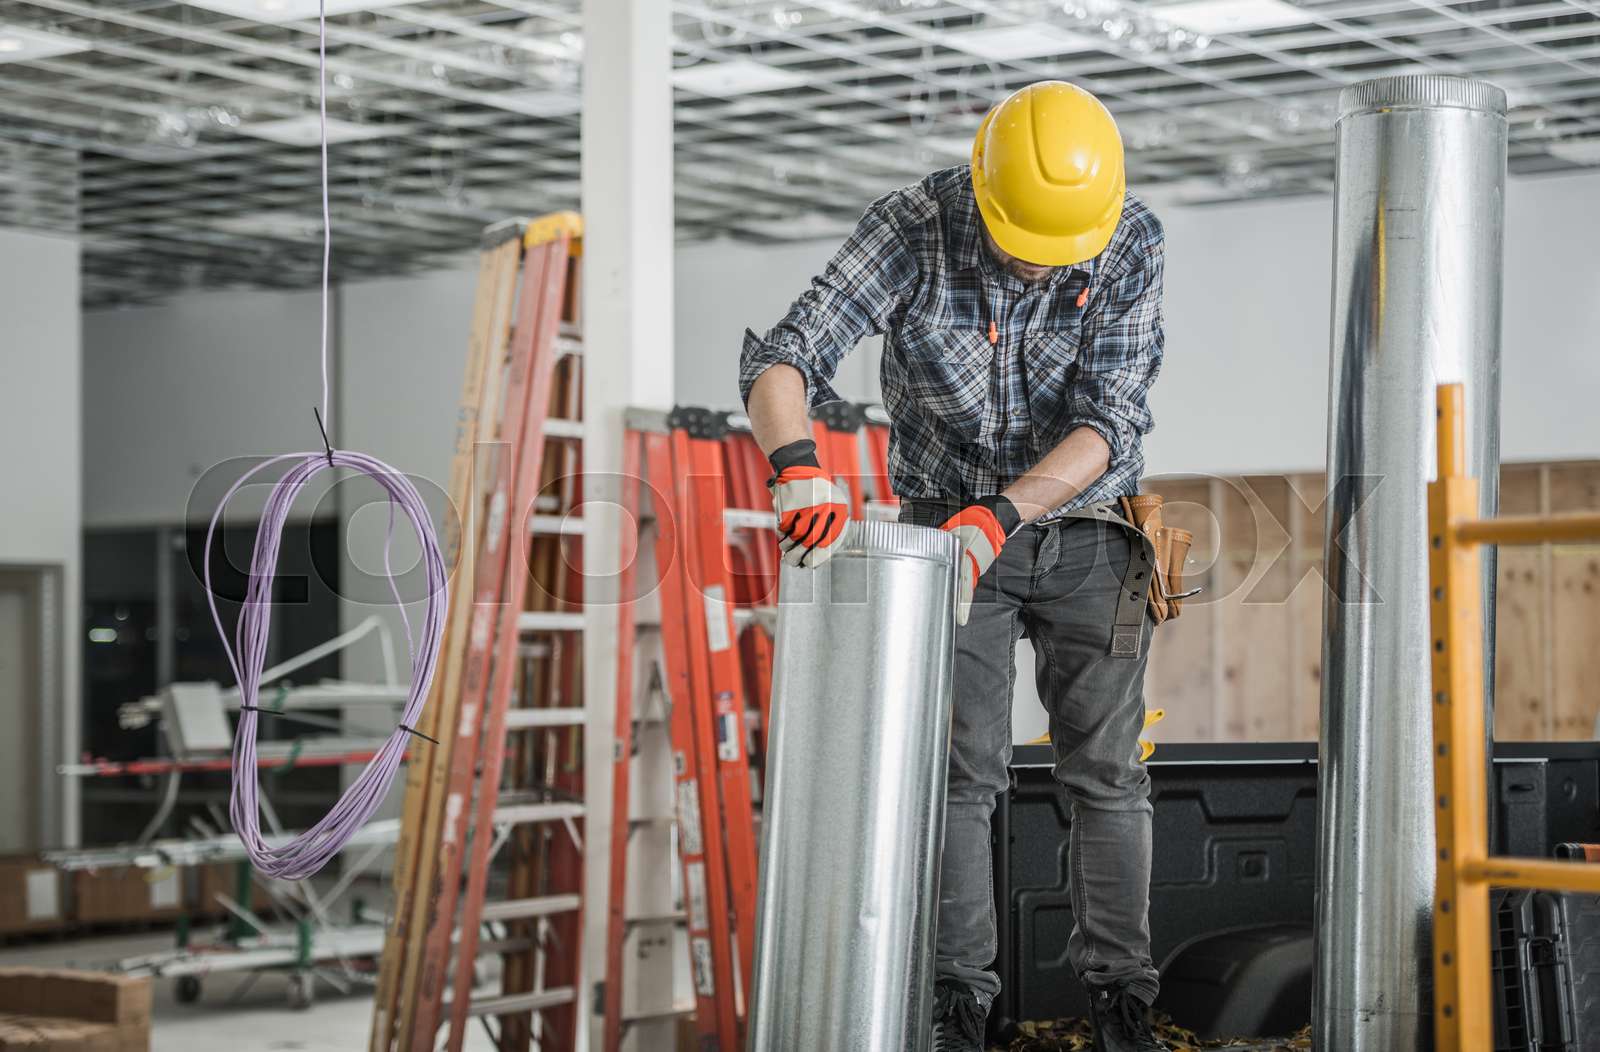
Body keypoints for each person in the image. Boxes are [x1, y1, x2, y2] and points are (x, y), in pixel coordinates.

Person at [739, 80, 1168, 1052]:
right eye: (1022, 243)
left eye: (1061, 253)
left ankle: (1121, 1002)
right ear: (984, 193)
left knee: (1105, 773)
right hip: (943, 528)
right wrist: (795, 465)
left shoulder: (1129, 238)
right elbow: (784, 357)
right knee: (958, 776)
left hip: (1089, 519)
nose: (1037, 267)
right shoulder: (913, 227)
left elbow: (1110, 423)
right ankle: (958, 1005)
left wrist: (1004, 512)